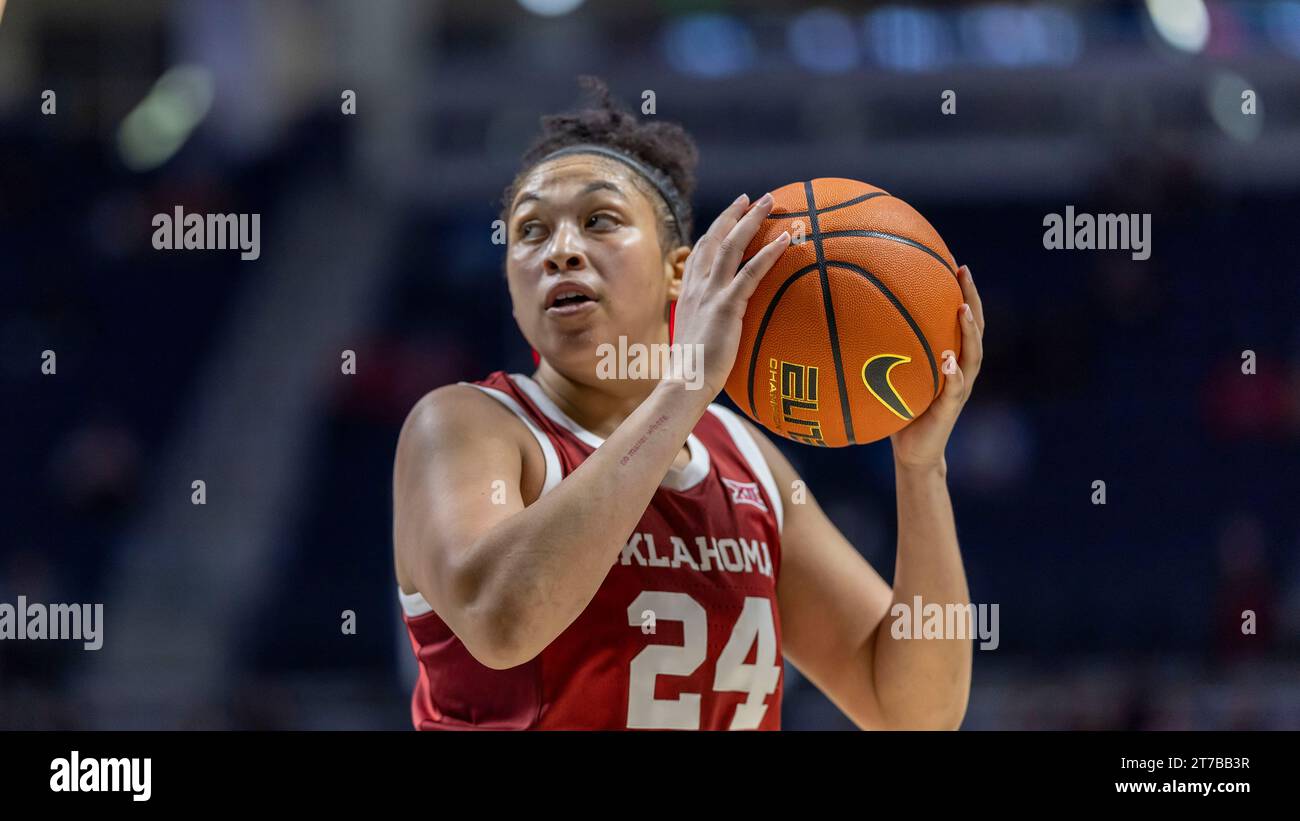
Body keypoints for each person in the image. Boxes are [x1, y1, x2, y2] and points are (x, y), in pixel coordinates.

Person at [393, 78, 984, 730]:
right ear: (510, 284)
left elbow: (914, 712)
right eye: (530, 231)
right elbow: (501, 619)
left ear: (681, 269)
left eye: (599, 219)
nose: (559, 250)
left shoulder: (746, 461)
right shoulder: (463, 425)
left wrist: (922, 468)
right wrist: (686, 385)